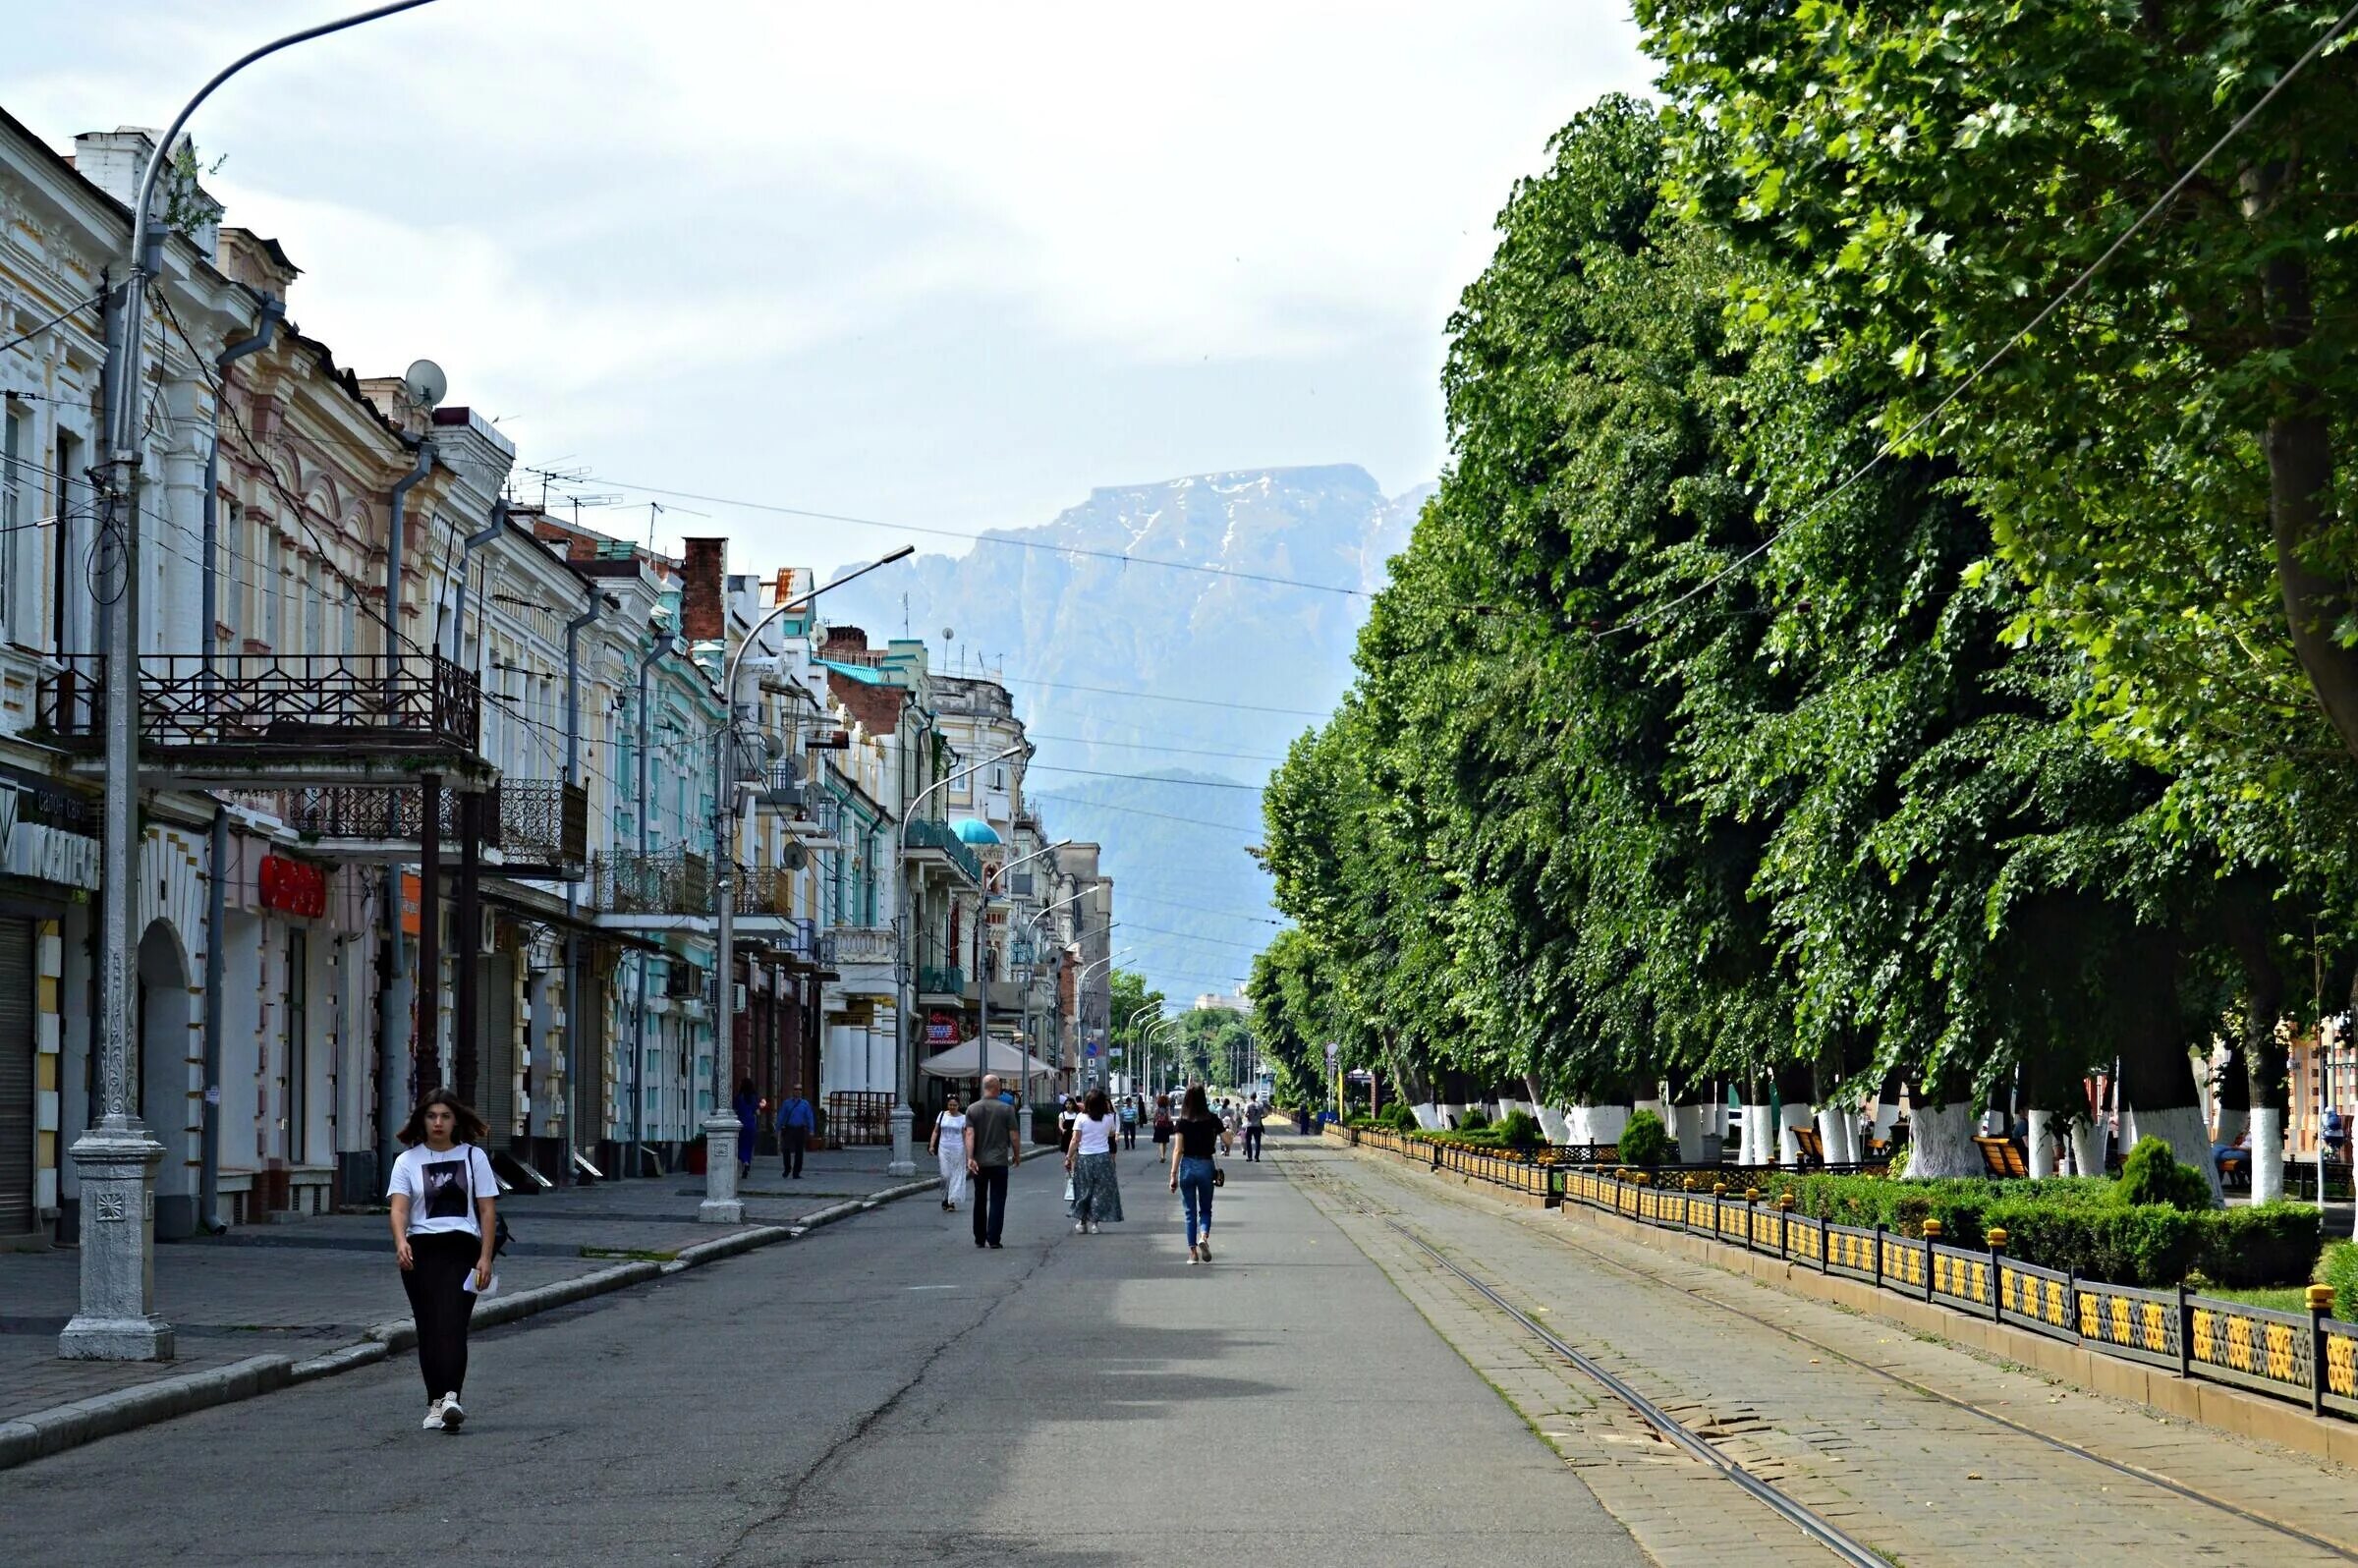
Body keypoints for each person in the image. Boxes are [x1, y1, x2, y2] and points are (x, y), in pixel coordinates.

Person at [386, 1088, 499, 1432]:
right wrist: (401, 1240)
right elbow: (399, 1208)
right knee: (429, 1328)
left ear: (455, 1120)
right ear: (422, 1120)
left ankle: (452, 1396)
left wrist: (485, 1257)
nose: (438, 1123)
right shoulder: (407, 1161)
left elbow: (487, 1210)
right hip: (421, 1252)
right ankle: (436, 1403)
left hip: (461, 1248)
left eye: (445, 1116)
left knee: (452, 1323)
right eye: (432, 1116)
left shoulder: (473, 1157)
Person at [965, 1072, 1021, 1249]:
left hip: (979, 1163)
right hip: (999, 1162)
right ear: (997, 1088)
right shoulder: (1006, 1109)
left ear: (984, 1088)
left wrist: (970, 1158)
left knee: (979, 1199)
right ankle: (994, 1238)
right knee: (997, 1199)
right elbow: (1014, 1136)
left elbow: (969, 1134)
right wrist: (1017, 1155)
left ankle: (979, 1238)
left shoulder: (972, 1109)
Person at [1168, 1085, 1223, 1263]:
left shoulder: (1182, 1123)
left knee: (1189, 1212)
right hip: (1207, 1165)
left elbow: (1177, 1150)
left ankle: (1192, 1253)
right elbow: (1228, 1140)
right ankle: (1203, 1238)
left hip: (1188, 1166)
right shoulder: (1213, 1119)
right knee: (1206, 1209)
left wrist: (1173, 1175)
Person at [1065, 1087, 1125, 1234]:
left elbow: (1075, 1139)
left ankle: (1082, 1221)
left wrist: (1068, 1157)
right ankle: (1095, 1224)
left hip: (1085, 1158)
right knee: (1100, 1190)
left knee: (1084, 1189)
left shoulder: (1080, 1118)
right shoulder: (1109, 1118)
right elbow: (1111, 1132)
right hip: (1104, 1157)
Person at [930, 1094, 970, 1211]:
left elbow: (965, 1135)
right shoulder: (942, 1115)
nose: (952, 1107)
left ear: (959, 1106)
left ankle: (951, 1201)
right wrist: (932, 1145)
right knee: (945, 1174)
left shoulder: (963, 1118)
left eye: (955, 1105)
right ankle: (945, 1196)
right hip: (943, 1148)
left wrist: (968, 1153)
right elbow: (936, 1131)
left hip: (958, 1148)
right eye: (950, 1105)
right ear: (947, 1105)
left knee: (956, 1175)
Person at [775, 1089, 814, 1180]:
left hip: (800, 1129)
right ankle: (787, 1168)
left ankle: (796, 1172)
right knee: (786, 1149)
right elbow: (781, 1116)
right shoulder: (787, 1103)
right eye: (796, 1089)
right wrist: (777, 1128)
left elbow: (809, 1117)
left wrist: (811, 1129)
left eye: (800, 1089)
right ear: (792, 1091)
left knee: (799, 1151)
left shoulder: (805, 1104)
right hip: (789, 1128)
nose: (798, 1091)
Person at [732, 1078, 759, 1181]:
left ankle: (744, 1161)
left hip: (740, 1123)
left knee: (740, 1145)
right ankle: (746, 1164)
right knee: (749, 1146)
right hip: (751, 1124)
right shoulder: (754, 1097)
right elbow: (757, 1111)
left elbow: (734, 1109)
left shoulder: (739, 1097)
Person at [1244, 1097, 1266, 1162]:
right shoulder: (1260, 1105)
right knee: (1257, 1142)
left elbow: (1245, 1114)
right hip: (1258, 1126)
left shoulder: (1248, 1105)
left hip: (1250, 1125)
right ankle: (1256, 1158)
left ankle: (1249, 1157)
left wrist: (1249, 1117)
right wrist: (1260, 1117)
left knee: (1248, 1141)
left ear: (1251, 1098)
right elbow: (1265, 1114)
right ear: (1255, 1097)